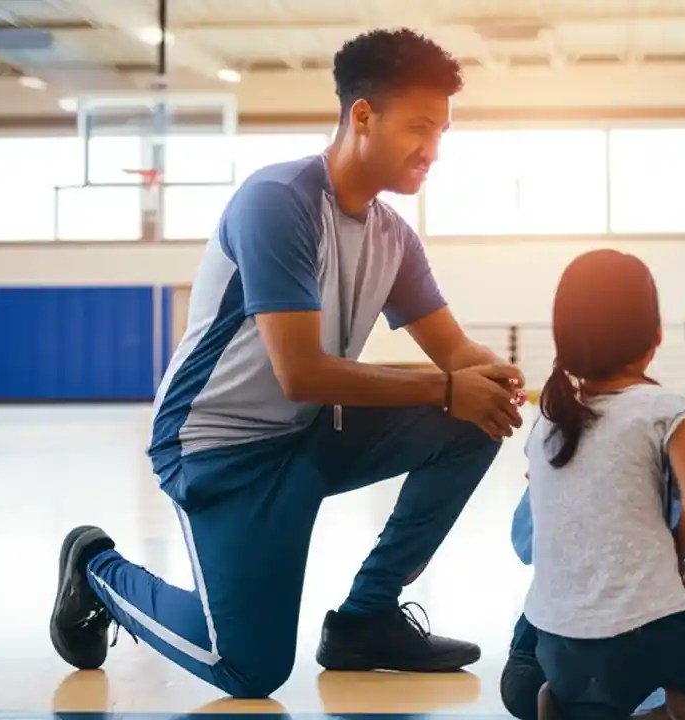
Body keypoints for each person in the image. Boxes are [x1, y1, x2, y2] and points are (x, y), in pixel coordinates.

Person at [48, 29, 526, 699]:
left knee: (476, 420)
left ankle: (367, 618)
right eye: (420, 127)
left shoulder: (394, 237)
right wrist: (450, 388)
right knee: (247, 668)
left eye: (442, 132)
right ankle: (97, 568)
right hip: (217, 449)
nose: (433, 150)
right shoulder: (278, 202)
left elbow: (455, 354)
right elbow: (299, 371)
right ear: (363, 116)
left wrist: (517, 385)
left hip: (306, 433)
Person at [521, 249, 685, 720]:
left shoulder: (549, 417)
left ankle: (560, 701)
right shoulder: (664, 407)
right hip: (643, 633)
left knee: (591, 686)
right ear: (656, 335)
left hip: (553, 637)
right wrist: (672, 556)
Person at [499, 437, 685, 720]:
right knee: (524, 690)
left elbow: (682, 530)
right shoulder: (561, 440)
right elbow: (527, 546)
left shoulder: (680, 445)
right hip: (560, 623)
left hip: (637, 621)